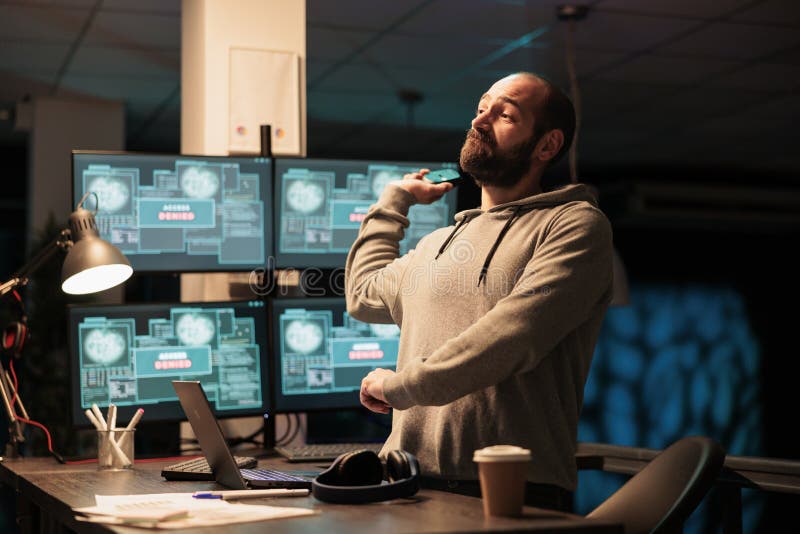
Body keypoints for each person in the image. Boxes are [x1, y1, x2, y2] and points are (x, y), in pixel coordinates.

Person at [345, 72, 613, 511]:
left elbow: (512, 338)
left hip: (511, 492)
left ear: (547, 146)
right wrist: (394, 200)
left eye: (504, 114)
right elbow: (361, 294)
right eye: (481, 108)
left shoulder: (572, 225)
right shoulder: (437, 244)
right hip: (406, 485)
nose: (481, 121)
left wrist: (400, 387)